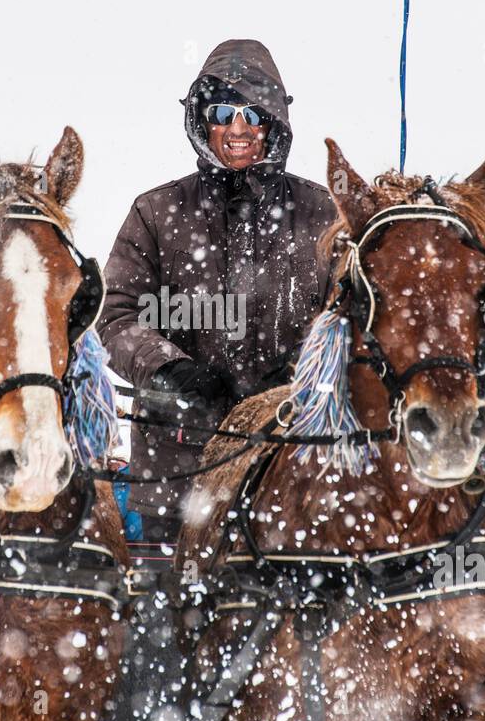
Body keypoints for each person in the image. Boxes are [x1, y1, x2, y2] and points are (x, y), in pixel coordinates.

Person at [98, 39, 336, 546]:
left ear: (274, 122)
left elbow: (351, 318)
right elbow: (114, 316)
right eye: (223, 111)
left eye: (253, 113)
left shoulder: (323, 215)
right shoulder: (156, 212)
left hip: (295, 472)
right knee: (166, 619)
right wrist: (170, 370)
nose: (238, 128)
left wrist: (299, 374)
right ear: (202, 121)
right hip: (174, 475)